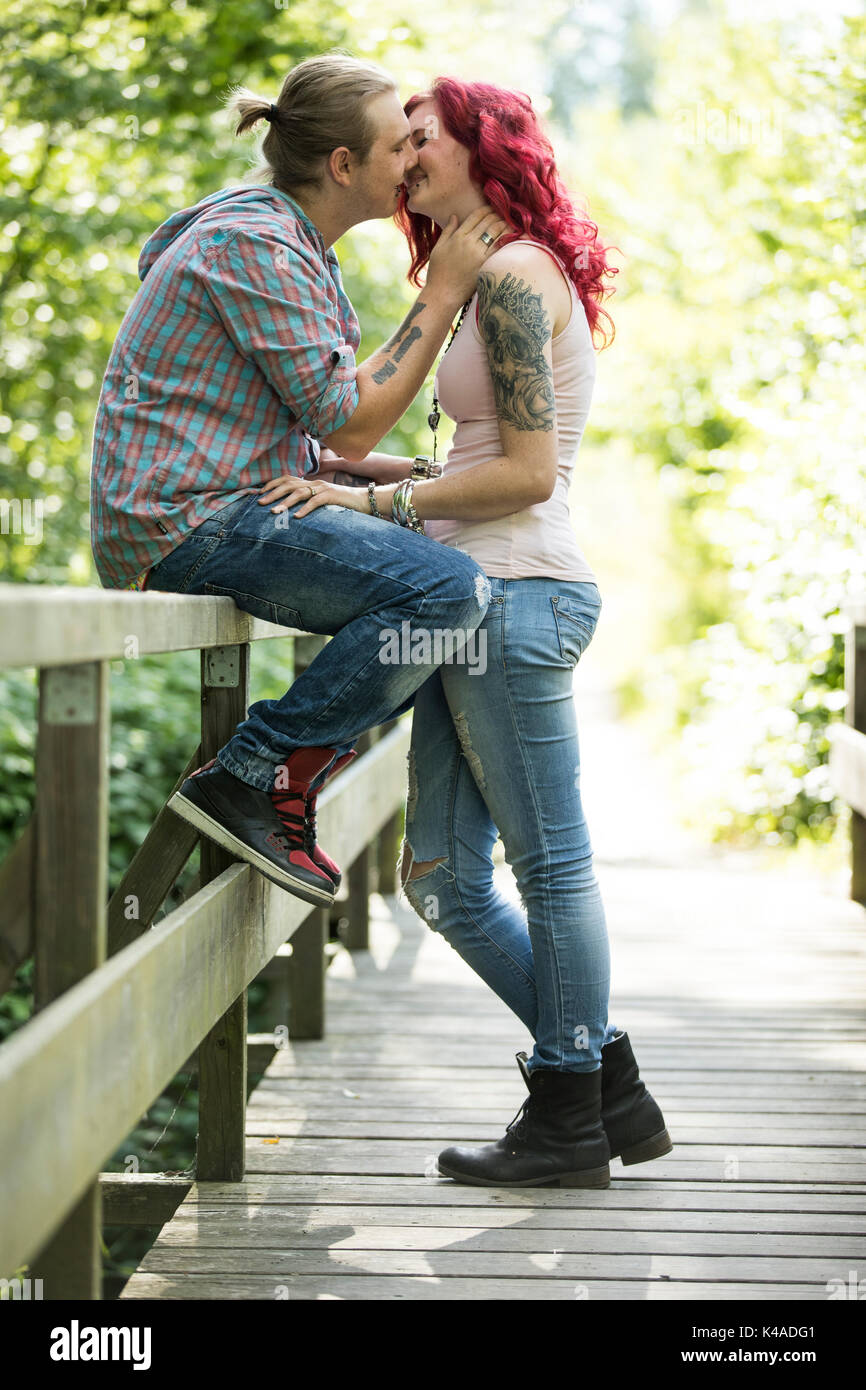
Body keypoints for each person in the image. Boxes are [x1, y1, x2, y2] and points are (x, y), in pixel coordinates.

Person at [268, 76, 672, 1189]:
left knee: (550, 866)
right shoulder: (484, 273)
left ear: (479, 149)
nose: (402, 156)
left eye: (421, 138)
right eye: (398, 141)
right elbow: (473, 462)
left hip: (515, 599)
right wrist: (365, 469)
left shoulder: (504, 275)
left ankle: (566, 1114)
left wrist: (368, 507)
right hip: (470, 603)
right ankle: (604, 1083)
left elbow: (530, 477)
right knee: (441, 878)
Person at [89, 54, 509, 908]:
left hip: (220, 498)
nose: (415, 163)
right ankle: (253, 775)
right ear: (344, 166)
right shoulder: (257, 244)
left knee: (433, 544)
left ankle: (288, 780)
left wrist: (413, 476)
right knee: (447, 594)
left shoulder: (289, 242)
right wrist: (446, 289)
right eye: (400, 147)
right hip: (182, 521)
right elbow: (347, 419)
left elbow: (284, 430)